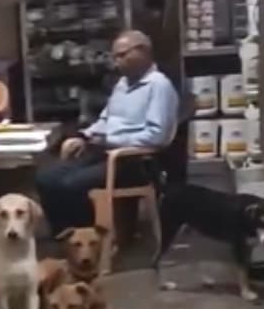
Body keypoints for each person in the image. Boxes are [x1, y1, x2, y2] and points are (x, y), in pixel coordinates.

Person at [35, 29, 179, 235]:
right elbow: (105, 120)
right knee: (46, 177)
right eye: (115, 56)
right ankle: (65, 236)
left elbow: (157, 136)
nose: (116, 62)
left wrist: (111, 139)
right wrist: (84, 136)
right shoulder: (122, 84)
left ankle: (87, 238)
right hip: (105, 153)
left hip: (136, 160)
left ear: (143, 52)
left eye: (122, 55)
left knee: (71, 185)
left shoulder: (159, 86)